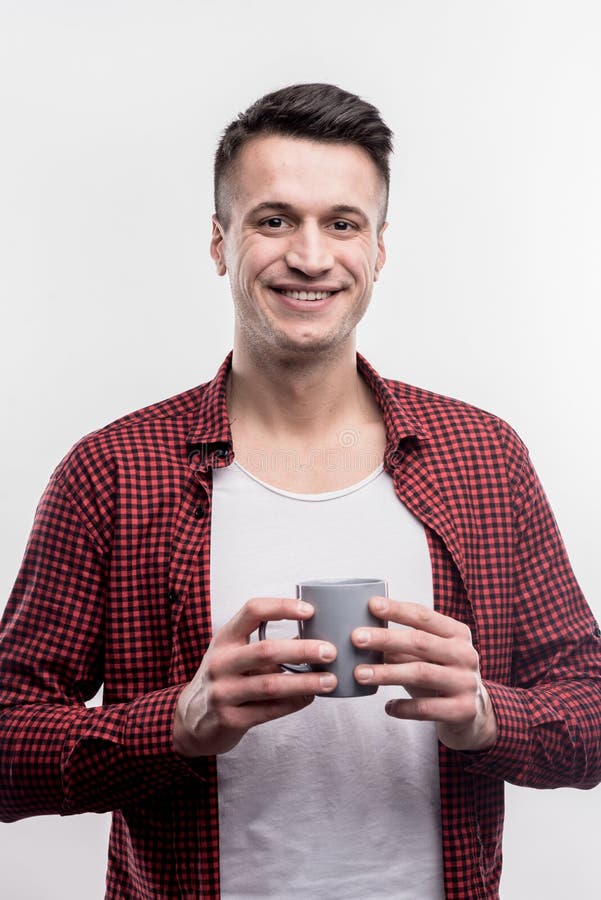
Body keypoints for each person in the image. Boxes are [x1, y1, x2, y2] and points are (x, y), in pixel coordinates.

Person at [1, 83, 600, 900]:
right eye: (273, 219)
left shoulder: (481, 457)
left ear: (379, 250)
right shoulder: (114, 469)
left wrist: (489, 715)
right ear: (219, 241)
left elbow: (590, 707)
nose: (310, 257)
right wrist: (176, 724)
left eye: (342, 223)